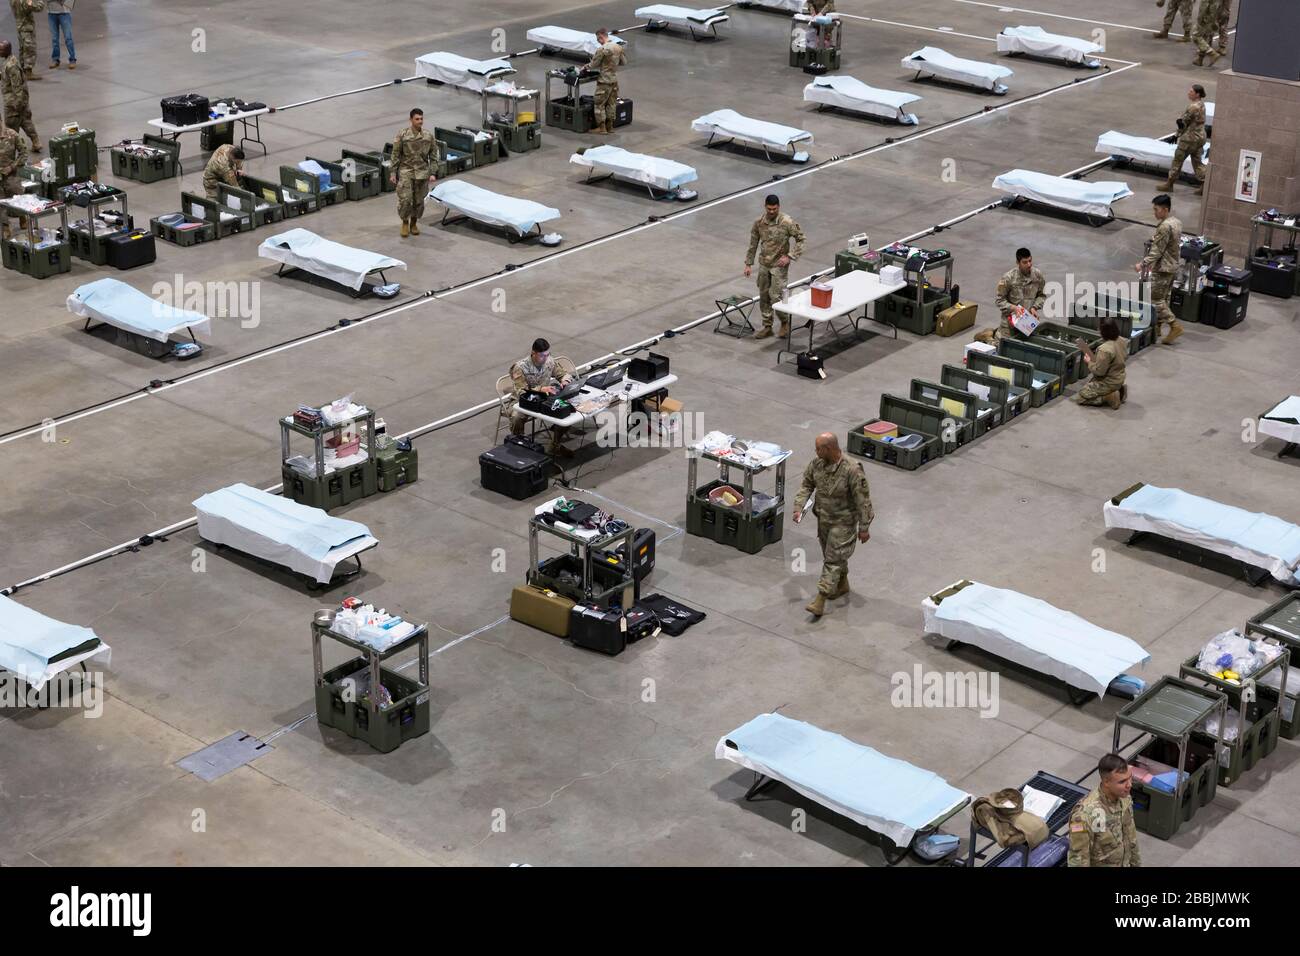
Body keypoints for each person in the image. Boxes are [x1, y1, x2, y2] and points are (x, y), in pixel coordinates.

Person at [792, 432, 873, 619]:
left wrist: (864, 528)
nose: (815, 451)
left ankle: (820, 599)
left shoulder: (852, 470)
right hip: (823, 520)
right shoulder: (817, 464)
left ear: (828, 449)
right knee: (834, 557)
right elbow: (807, 485)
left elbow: (863, 501)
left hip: (843, 523)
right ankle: (842, 584)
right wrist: (799, 507)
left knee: (832, 560)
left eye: (818, 448)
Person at [744, 194, 806, 341]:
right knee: (764, 295)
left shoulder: (787, 222)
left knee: (776, 296)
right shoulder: (759, 222)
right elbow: (753, 244)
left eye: (774, 209)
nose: (771, 211)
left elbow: (801, 239)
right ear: (765, 207)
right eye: (769, 209)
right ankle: (767, 326)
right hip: (764, 264)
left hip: (779, 265)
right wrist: (748, 264)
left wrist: (789, 256)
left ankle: (785, 322)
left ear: (779, 207)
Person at [1068, 754, 1142, 867]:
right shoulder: (1083, 816)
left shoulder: (1124, 797)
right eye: (1122, 782)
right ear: (1106, 782)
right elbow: (1078, 860)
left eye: (1130, 777)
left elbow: (1131, 837)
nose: (1129, 785)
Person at [510, 338, 575, 457]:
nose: (545, 358)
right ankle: (518, 445)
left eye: (547, 354)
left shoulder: (549, 361)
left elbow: (563, 374)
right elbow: (521, 391)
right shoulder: (520, 367)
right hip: (523, 402)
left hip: (544, 399)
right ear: (533, 353)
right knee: (516, 417)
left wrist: (565, 380)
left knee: (567, 412)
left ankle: (555, 446)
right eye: (542, 355)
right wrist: (540, 389)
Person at [1136, 194, 1184, 345]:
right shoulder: (1175, 222)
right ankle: (1156, 327)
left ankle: (1174, 325)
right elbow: (1168, 241)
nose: (1154, 212)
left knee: (1156, 300)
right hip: (1172, 266)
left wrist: (1142, 264)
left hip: (1163, 268)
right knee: (1164, 299)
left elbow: (1157, 250)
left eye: (1156, 209)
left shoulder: (1164, 226)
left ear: (1165, 209)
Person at [390, 107, 440, 238]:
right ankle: (405, 222)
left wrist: (433, 172)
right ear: (411, 120)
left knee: (419, 201)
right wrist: (392, 173)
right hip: (406, 171)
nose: (420, 121)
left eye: (421, 119)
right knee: (405, 199)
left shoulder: (428, 136)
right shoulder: (402, 135)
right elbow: (395, 154)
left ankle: (414, 223)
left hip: (422, 173)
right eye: (417, 119)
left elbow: (434, 155)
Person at [1162, 84, 1207, 193]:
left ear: (1197, 94)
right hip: (1200, 137)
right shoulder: (1202, 105)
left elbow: (1183, 124)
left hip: (1189, 139)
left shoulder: (1192, 107)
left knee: (1178, 160)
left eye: (1191, 91)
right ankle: (1205, 185)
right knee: (1197, 162)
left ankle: (1169, 184)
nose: (1188, 92)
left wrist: (1176, 135)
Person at [1074, 318, 1128, 409]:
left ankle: (1108, 397)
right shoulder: (1122, 340)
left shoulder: (1105, 349)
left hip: (1108, 382)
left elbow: (1099, 372)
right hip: (1119, 377)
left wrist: (1089, 362)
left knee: (1081, 397)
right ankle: (1119, 389)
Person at [995, 247, 1046, 339]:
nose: (1029, 264)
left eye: (1030, 261)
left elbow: (1041, 295)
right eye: (1025, 262)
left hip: (1027, 324)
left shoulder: (1037, 275)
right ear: (1018, 263)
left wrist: (1034, 307)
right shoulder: (1008, 278)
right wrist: (1013, 308)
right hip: (1009, 326)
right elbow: (999, 300)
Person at [0, 40, 40, 152]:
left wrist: (17, 105)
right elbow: (8, 77)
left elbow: (17, 87)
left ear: (7, 50)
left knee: (11, 127)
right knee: (25, 121)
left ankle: (11, 151)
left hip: (13, 102)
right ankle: (36, 141)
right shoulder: (10, 60)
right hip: (19, 101)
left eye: (1, 50)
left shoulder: (11, 65)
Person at [586, 29, 626, 136]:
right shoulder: (618, 47)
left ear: (601, 37)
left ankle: (601, 128)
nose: (598, 42)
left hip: (604, 81)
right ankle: (610, 127)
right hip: (614, 80)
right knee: (611, 103)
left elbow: (594, 64)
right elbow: (624, 62)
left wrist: (586, 67)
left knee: (599, 104)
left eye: (598, 39)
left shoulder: (602, 49)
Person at [1, 120, 27, 240]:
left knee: (18, 196)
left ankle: (22, 217)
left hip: (11, 174)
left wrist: (12, 167)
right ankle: (6, 226)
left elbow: (23, 153)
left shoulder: (12, 135)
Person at [9, 0, 43, 79]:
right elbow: (39, 7)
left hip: (19, 26)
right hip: (27, 27)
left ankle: (22, 70)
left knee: (22, 48)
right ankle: (28, 72)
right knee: (29, 48)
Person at [1192, 0, 1224, 66]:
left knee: (1195, 35)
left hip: (1206, 17)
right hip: (1212, 16)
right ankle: (1200, 59)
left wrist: (1200, 19)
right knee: (1204, 37)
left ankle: (1212, 53)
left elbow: (1204, 6)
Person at [47, 0, 74, 70]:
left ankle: (72, 59)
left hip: (64, 12)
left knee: (68, 38)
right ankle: (55, 59)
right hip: (51, 12)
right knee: (54, 38)